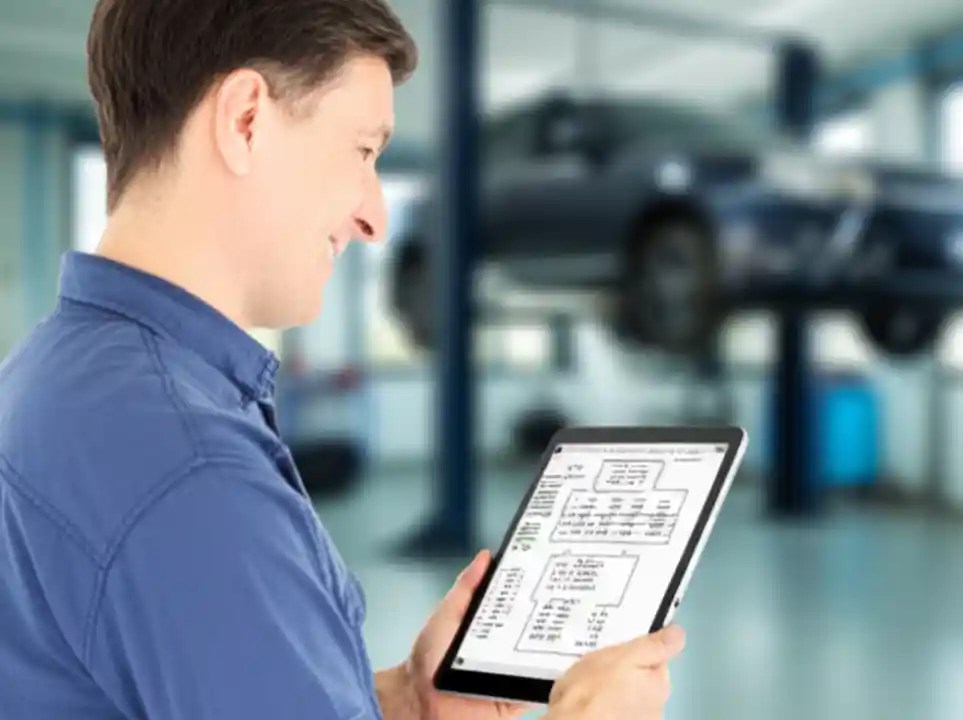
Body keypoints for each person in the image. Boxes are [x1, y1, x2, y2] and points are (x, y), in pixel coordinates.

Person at [0, 0, 685, 718]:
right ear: (245, 121)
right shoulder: (190, 470)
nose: (374, 218)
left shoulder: (51, 381)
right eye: (362, 151)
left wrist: (404, 699)